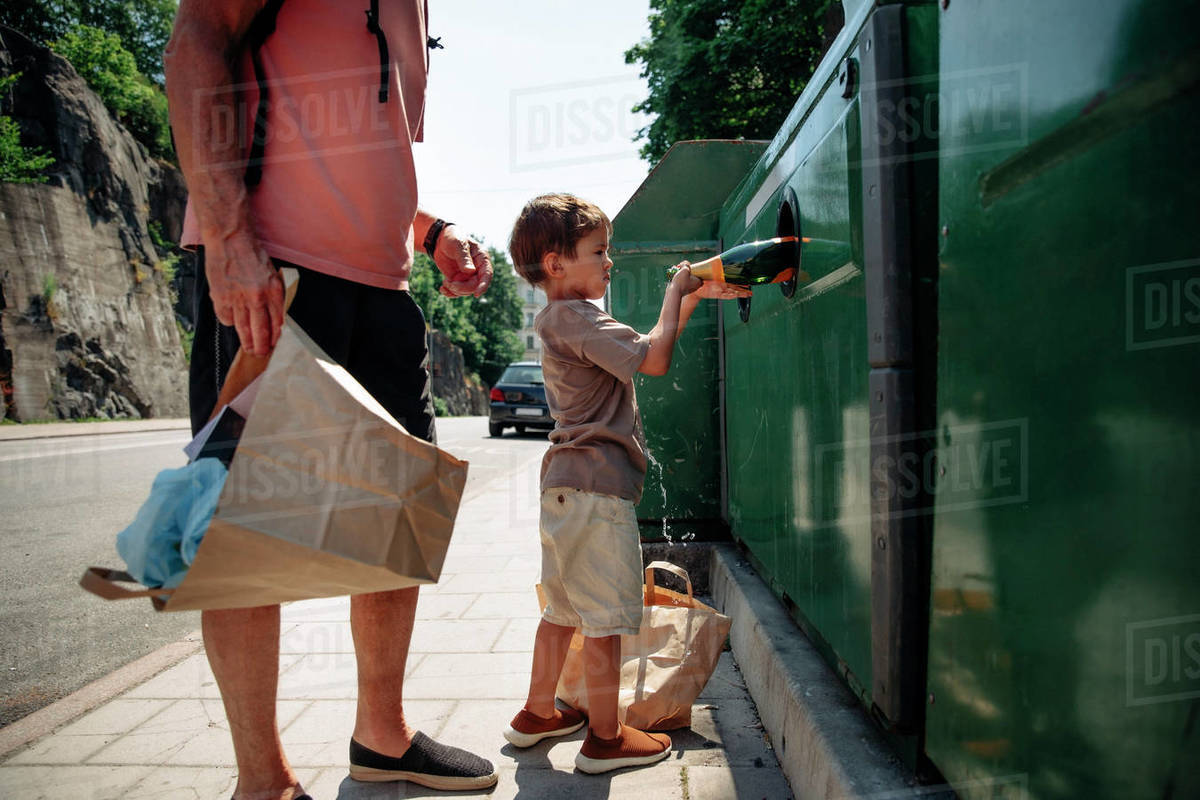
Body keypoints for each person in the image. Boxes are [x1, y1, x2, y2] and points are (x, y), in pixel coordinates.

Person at [164, 1, 498, 797]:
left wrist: (430, 232)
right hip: (274, 272)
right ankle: (263, 781)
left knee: (399, 519)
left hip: (382, 286)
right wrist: (228, 236)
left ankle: (382, 736)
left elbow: (342, 145)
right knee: (246, 533)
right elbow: (196, 44)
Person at [501, 194, 747, 773]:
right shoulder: (580, 315)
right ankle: (606, 740)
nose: (609, 262)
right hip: (597, 491)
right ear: (557, 263)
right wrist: (673, 290)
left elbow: (642, 351)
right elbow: (655, 361)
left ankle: (538, 713)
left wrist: (686, 300)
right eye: (598, 251)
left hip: (563, 491)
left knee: (561, 610)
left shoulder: (560, 318)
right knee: (608, 618)